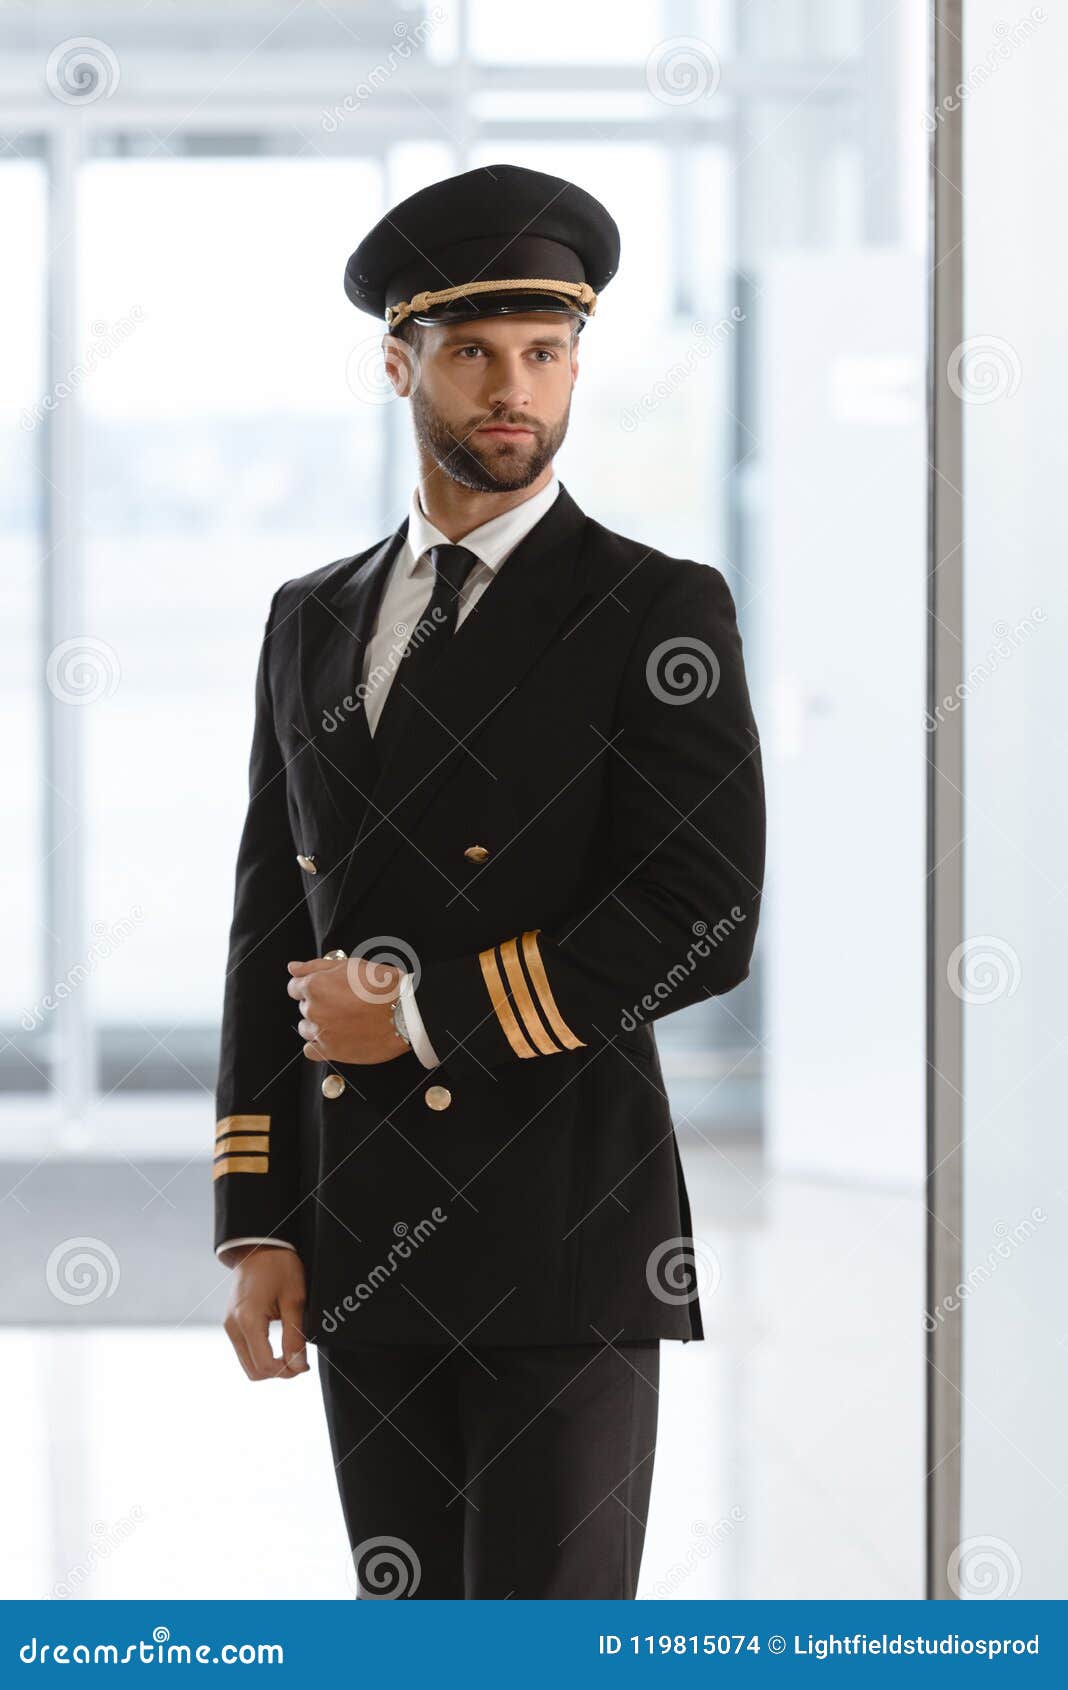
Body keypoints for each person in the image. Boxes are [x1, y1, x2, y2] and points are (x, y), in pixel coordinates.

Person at [214, 162, 766, 1600]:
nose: (510, 389)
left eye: (544, 353)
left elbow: (703, 915)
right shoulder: (310, 616)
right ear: (401, 362)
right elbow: (273, 916)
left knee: (539, 1646)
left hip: (565, 1244)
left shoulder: (655, 605)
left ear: (577, 363)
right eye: (470, 354)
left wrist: (415, 1012)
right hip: (365, 1239)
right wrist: (263, 1219)